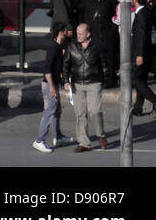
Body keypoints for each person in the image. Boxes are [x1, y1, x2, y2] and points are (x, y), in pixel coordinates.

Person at [63, 22, 106, 152]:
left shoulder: (97, 46)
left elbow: (105, 63)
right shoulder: (72, 46)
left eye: (81, 33)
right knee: (80, 114)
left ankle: (100, 135)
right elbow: (65, 65)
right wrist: (65, 81)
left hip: (94, 83)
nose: (78, 35)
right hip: (77, 84)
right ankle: (83, 142)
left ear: (88, 34)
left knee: (95, 111)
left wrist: (105, 79)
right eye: (77, 33)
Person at [33, 22, 71, 153]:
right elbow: (47, 70)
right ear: (60, 33)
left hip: (54, 83)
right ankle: (39, 140)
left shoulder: (58, 47)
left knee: (56, 111)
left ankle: (58, 136)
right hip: (49, 85)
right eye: (66, 31)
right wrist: (52, 87)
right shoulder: (53, 47)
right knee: (49, 113)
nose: (67, 33)